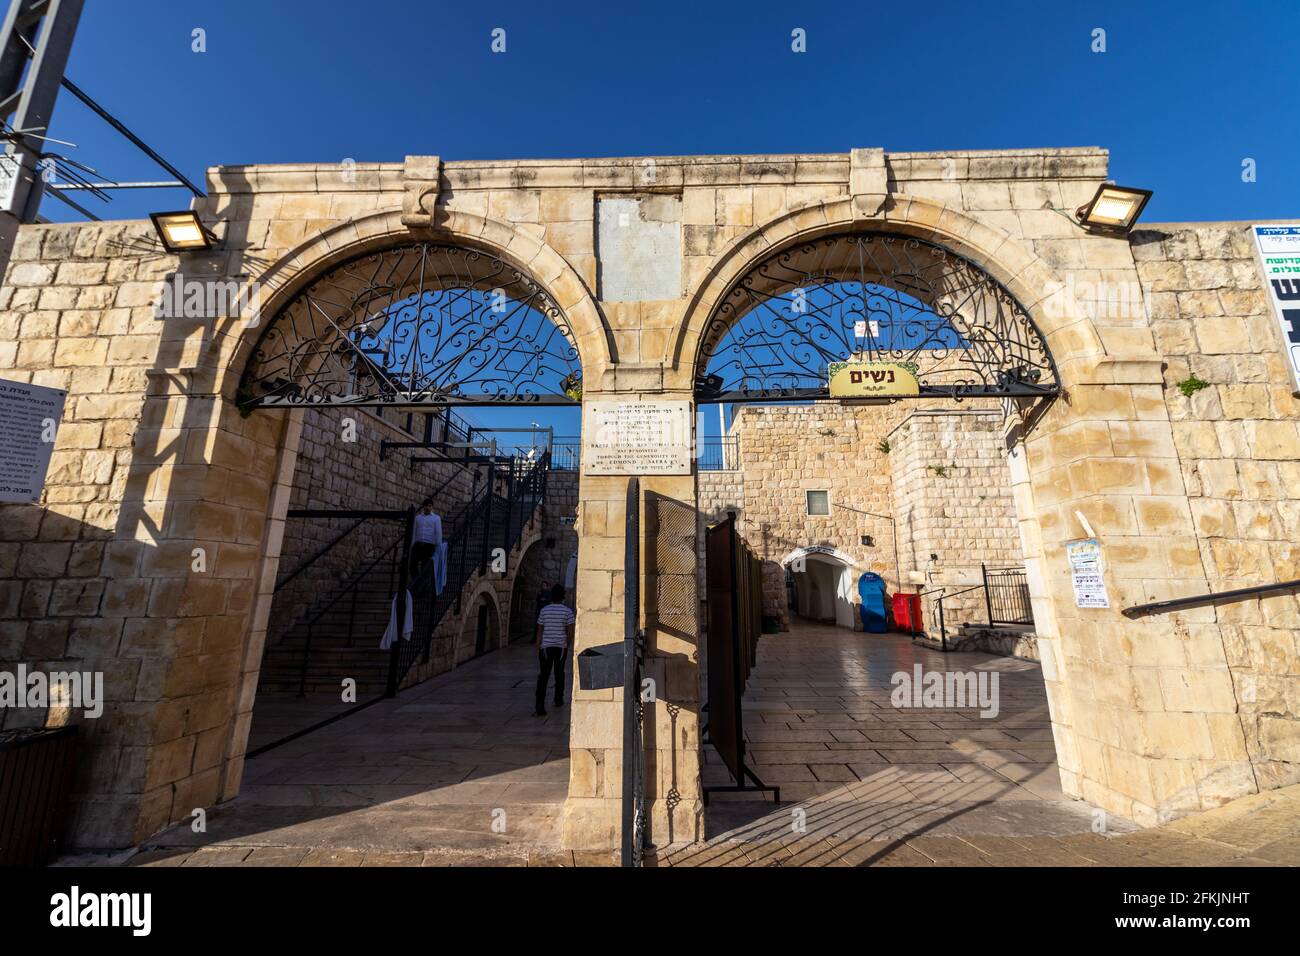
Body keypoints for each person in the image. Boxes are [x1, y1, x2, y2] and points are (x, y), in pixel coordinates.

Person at [535, 583, 575, 716]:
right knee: (559, 673)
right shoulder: (567, 612)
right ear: (563, 596)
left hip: (545, 648)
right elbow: (570, 631)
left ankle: (539, 705)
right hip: (560, 647)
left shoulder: (544, 611)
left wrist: (538, 646)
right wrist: (567, 644)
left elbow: (540, 630)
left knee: (544, 675)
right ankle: (558, 699)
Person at [411, 502, 442, 577]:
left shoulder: (436, 518)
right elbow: (414, 531)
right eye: (426, 506)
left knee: (424, 567)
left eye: (429, 506)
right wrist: (412, 544)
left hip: (429, 546)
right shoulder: (418, 518)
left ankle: (422, 583)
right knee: (412, 565)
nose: (427, 508)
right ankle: (416, 581)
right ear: (423, 506)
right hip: (418, 545)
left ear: (432, 507)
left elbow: (438, 533)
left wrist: (438, 546)